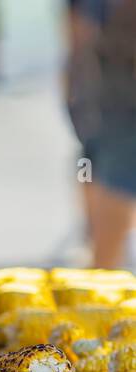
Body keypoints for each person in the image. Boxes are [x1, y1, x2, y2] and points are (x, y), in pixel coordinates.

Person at [66, 0, 136, 270]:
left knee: (113, 182)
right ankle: (100, 277)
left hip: (113, 97)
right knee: (113, 181)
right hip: (116, 95)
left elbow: (78, 30)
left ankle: (100, 274)